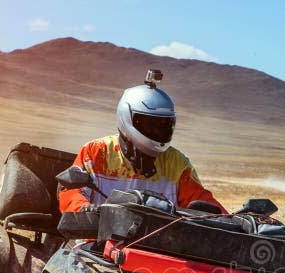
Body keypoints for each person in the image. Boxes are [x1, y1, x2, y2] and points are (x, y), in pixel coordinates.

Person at [59, 70, 226, 214]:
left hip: (155, 244)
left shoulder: (177, 163)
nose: (158, 131)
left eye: (164, 125)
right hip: (96, 243)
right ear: (127, 117)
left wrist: (234, 222)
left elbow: (202, 201)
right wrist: (85, 211)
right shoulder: (96, 151)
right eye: (151, 124)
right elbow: (71, 194)